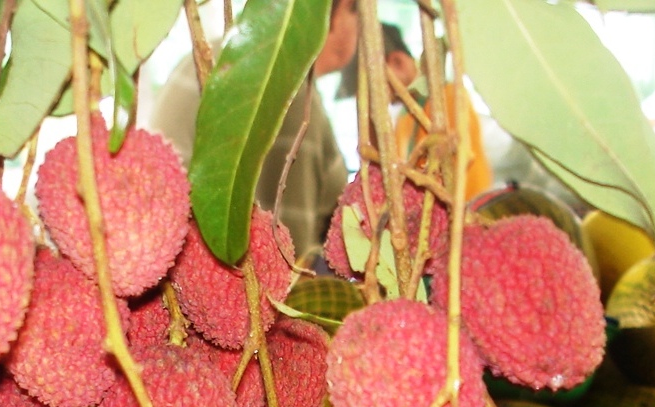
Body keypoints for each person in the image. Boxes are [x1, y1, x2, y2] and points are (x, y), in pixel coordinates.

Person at [150, 0, 358, 259]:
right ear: (340, 12)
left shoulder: (213, 53)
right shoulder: (288, 88)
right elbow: (291, 236)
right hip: (207, 263)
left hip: (165, 249)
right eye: (357, 16)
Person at [337, 22, 492, 202]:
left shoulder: (446, 99)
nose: (372, 97)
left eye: (372, 88)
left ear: (397, 62)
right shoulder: (405, 118)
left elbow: (452, 174)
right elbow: (383, 172)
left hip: (464, 215)